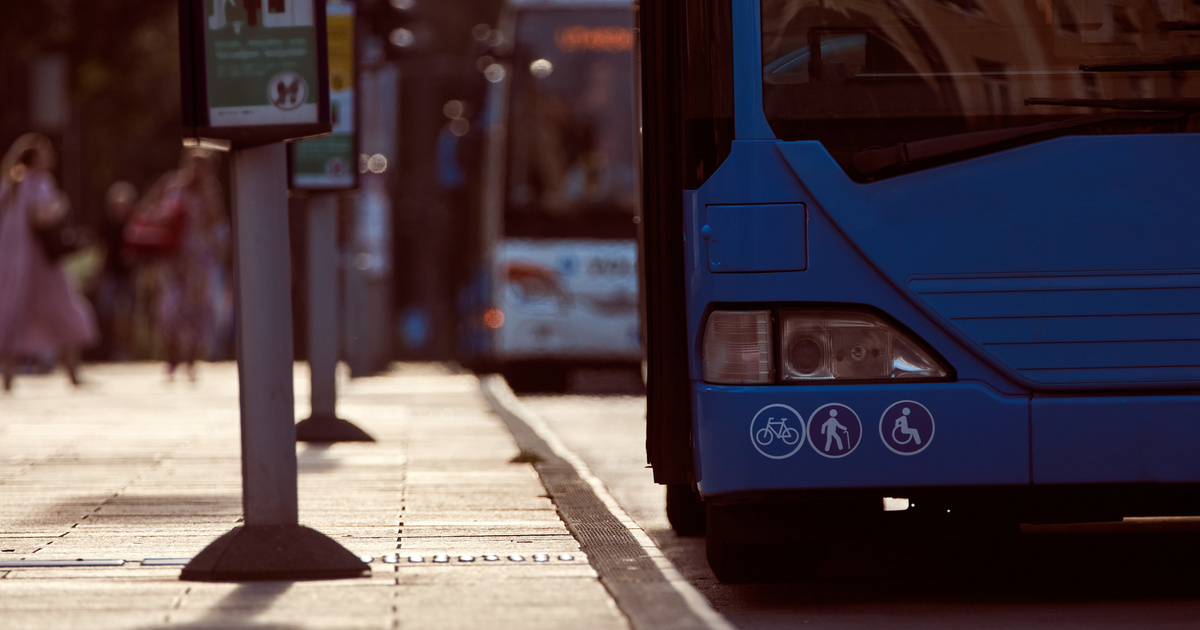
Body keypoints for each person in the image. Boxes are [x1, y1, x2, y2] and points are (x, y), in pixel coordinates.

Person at [0, 133, 99, 391]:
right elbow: (41, 218)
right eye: (45, 153)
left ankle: (8, 376)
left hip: (14, 265)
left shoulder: (11, 184)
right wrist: (61, 206)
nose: (50, 157)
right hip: (42, 263)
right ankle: (73, 372)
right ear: (35, 159)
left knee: (12, 314)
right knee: (63, 308)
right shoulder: (40, 182)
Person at [138, 148, 230, 381]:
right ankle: (171, 356)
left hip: (198, 259)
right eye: (194, 163)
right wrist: (163, 218)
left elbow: (217, 223)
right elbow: (146, 208)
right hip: (171, 257)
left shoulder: (209, 192)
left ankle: (190, 359)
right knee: (168, 308)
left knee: (197, 310)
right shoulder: (171, 184)